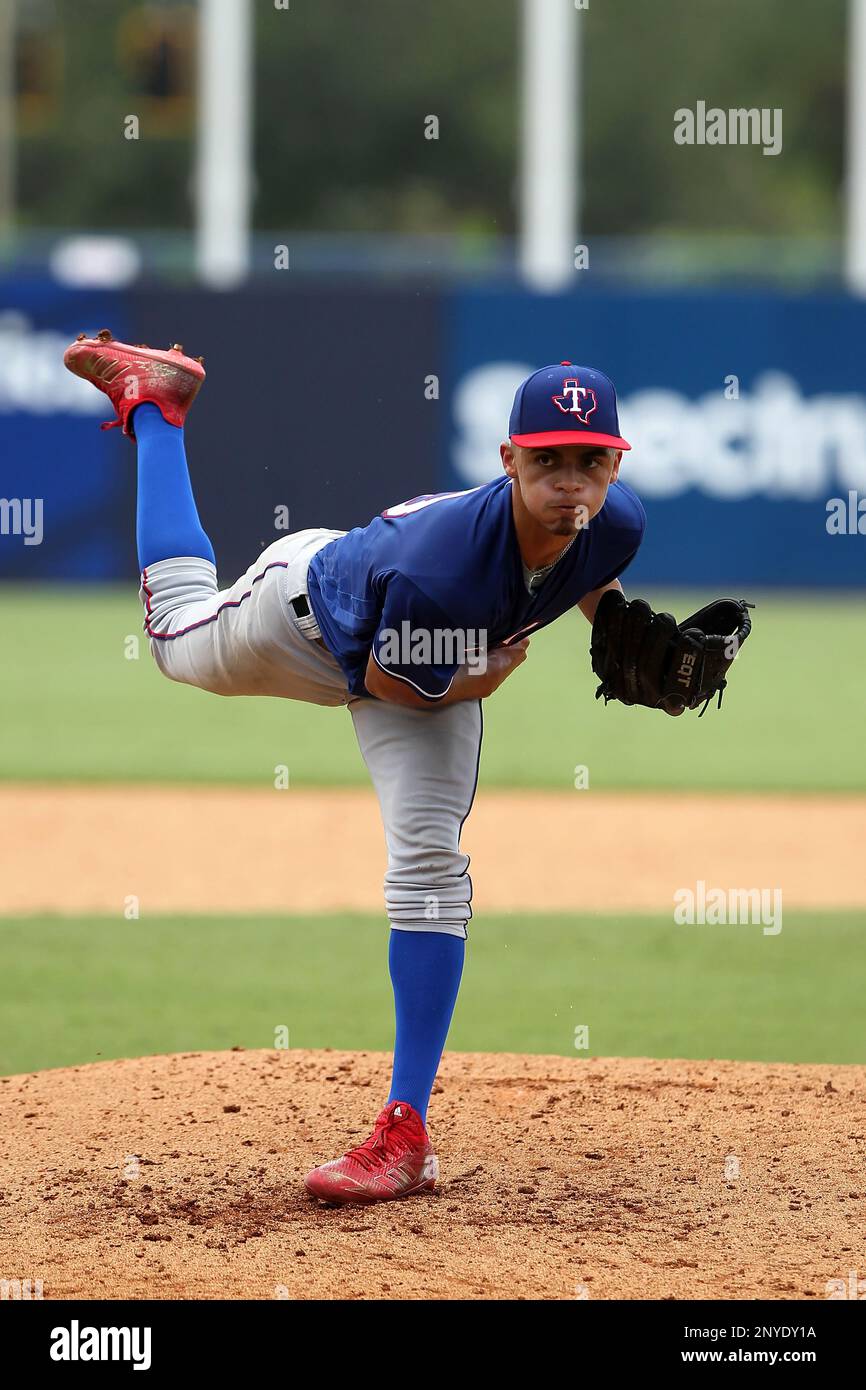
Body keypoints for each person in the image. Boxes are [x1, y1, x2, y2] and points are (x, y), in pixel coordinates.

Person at [64, 333, 645, 1205]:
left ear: (614, 465)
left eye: (591, 461)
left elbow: (585, 567)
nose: (572, 482)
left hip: (422, 647)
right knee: (174, 640)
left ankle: (404, 1131)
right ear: (508, 460)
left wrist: (619, 624)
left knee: (429, 868)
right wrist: (483, 671)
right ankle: (158, 408)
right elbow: (387, 681)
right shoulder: (443, 567)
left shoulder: (617, 523)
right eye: (548, 460)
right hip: (308, 622)